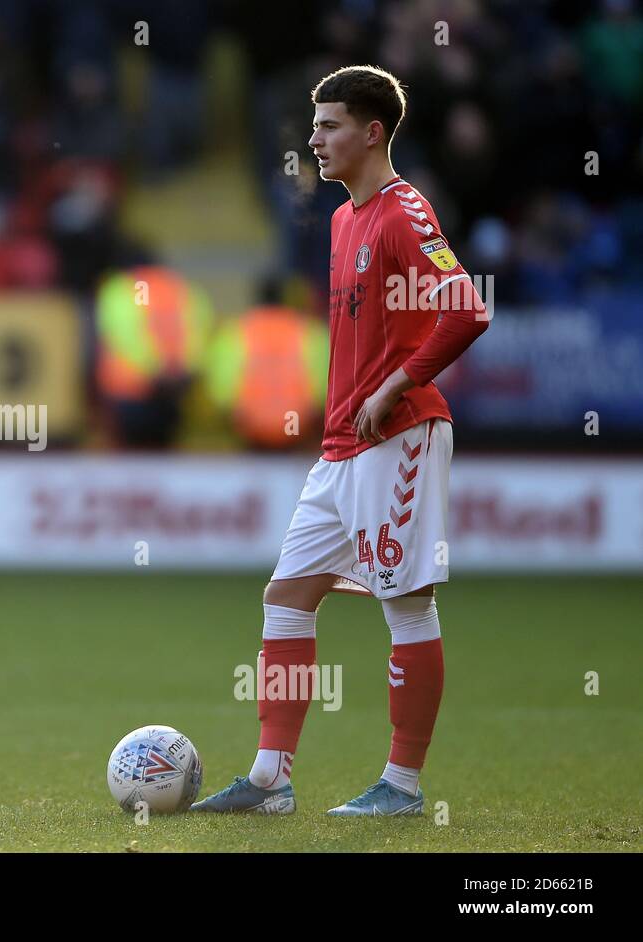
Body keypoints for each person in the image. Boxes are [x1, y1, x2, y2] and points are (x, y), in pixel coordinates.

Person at [193, 65, 490, 817]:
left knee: (407, 604)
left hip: (401, 435)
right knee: (287, 598)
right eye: (314, 125)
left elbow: (467, 309)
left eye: (328, 126)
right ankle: (269, 779)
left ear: (372, 132)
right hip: (339, 449)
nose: (314, 140)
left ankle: (403, 786)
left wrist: (395, 384)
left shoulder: (404, 212)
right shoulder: (342, 219)